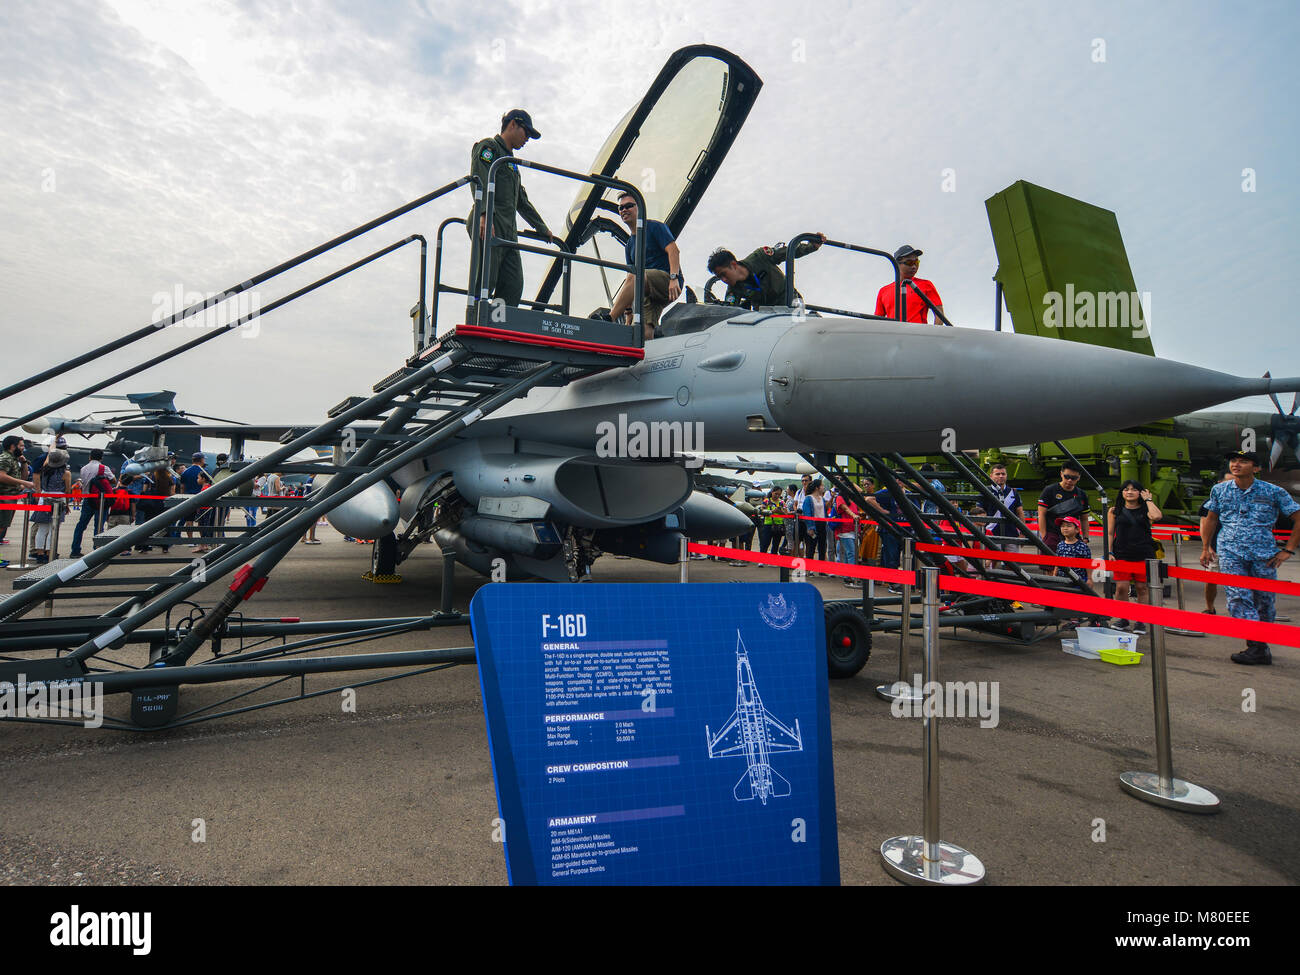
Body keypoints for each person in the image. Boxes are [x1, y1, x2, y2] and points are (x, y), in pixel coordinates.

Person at [1200, 449, 1300, 665]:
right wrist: (1206, 547)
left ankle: (1260, 648)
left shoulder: (1273, 492)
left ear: (1256, 468)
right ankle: (1256, 645)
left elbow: (1298, 517)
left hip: (1263, 554)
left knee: (1264, 601)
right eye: (1233, 461)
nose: (1236, 464)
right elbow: (1211, 518)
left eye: (1243, 461)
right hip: (1230, 553)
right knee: (1237, 597)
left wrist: (1289, 549)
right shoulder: (1219, 490)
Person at [467, 109, 558, 310]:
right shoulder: (489, 148)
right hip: (490, 221)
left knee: (512, 284)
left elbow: (522, 201)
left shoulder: (512, 164)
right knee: (485, 279)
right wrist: (484, 215)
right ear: (513, 125)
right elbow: (479, 180)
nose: (527, 139)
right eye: (526, 132)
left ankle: (498, 325)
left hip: (508, 230)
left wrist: (542, 229)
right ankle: (475, 320)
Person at [607, 191, 683, 342]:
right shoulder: (629, 245)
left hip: (666, 280)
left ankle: (608, 320)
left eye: (628, 206)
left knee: (638, 276)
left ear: (639, 208)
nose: (624, 210)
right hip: (645, 289)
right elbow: (630, 276)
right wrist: (628, 310)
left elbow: (673, 250)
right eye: (620, 208)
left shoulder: (655, 227)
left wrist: (674, 278)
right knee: (644, 333)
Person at [706, 234, 826, 311]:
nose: (723, 280)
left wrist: (812, 246)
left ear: (733, 265)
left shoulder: (760, 257)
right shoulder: (733, 291)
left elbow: (787, 252)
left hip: (789, 302)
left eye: (723, 274)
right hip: (766, 317)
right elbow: (730, 312)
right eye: (719, 277)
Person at [1107, 479, 1163, 633]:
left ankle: (1140, 621)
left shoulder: (1146, 510)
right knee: (1121, 588)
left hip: (1143, 553)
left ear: (1140, 492)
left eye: (1133, 489)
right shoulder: (1114, 511)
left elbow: (1157, 516)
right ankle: (1123, 619)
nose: (1129, 492)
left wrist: (1149, 500)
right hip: (1121, 553)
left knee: (1142, 588)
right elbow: (1110, 533)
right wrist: (1109, 552)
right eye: (1126, 489)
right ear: (1122, 492)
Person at [875, 244, 943, 324]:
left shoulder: (926, 285)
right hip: (894, 334)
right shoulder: (883, 291)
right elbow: (878, 321)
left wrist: (932, 335)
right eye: (909, 262)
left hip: (917, 334)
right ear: (897, 264)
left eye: (916, 262)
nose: (914, 266)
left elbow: (939, 314)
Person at [1198, 471, 1233, 614]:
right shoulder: (1211, 502)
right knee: (1211, 579)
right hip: (1216, 548)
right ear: (1219, 483)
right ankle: (1209, 607)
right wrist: (1207, 547)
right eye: (1228, 482)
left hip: (1237, 549)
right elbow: (1204, 523)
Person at [68, 449, 115, 557]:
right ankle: (97, 550)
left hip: (87, 500)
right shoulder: (103, 468)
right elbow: (113, 480)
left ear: (90, 457)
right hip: (100, 501)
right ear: (101, 458)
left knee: (81, 525)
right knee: (99, 526)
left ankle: (75, 549)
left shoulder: (83, 469)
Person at [28, 447, 72, 563]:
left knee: (42, 529)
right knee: (54, 529)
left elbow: (47, 461)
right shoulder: (66, 473)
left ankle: (40, 554)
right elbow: (67, 490)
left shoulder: (44, 470)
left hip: (44, 498)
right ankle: (49, 552)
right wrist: (67, 504)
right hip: (59, 499)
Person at [1037, 462, 1089, 555]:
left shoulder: (1082, 494)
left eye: (1073, 478)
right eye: (1066, 476)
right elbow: (1041, 515)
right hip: (1052, 535)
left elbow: (1084, 518)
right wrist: (1045, 536)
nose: (1069, 480)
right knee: (1050, 567)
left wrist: (1085, 538)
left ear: (1079, 478)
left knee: (1074, 567)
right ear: (1061, 474)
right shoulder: (1049, 490)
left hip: (1074, 538)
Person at [976, 462, 1026, 549]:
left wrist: (1023, 533)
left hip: (1011, 534)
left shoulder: (1013, 492)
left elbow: (1020, 513)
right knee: (992, 561)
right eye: (997, 474)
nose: (1001, 476)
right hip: (990, 534)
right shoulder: (984, 491)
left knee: (1012, 561)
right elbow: (978, 512)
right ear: (991, 475)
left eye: (1003, 474)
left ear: (1006, 475)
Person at [0, 436, 37, 548]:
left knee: (2, 527)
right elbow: (1, 476)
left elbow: (24, 477)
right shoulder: (6, 458)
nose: (23, 448)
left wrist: (24, 463)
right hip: (4, 498)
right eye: (21, 445)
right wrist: (24, 483)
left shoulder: (14, 459)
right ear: (13, 446)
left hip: (10, 498)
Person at [800, 479, 829, 565]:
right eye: (822, 485)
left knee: (822, 547)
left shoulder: (822, 498)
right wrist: (810, 527)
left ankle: (821, 568)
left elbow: (825, 510)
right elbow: (807, 513)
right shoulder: (808, 498)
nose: (823, 487)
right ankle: (810, 567)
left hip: (822, 523)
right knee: (811, 546)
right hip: (814, 523)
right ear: (817, 487)